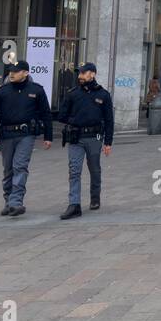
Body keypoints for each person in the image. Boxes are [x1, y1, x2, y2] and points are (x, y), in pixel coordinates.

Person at [0, 60, 53, 217]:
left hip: (26, 135)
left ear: (26, 73)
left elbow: (46, 115)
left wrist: (48, 136)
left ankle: (16, 202)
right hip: (6, 135)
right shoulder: (2, 91)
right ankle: (8, 201)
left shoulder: (37, 90)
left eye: (16, 71)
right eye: (11, 71)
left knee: (20, 166)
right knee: (8, 169)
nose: (12, 73)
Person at [56, 62, 114, 219]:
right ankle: (74, 204)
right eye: (79, 73)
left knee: (94, 169)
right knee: (74, 170)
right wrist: (75, 120)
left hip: (94, 138)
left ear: (92, 74)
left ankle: (95, 198)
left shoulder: (103, 95)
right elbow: (61, 115)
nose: (80, 76)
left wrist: (108, 142)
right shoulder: (73, 93)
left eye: (83, 73)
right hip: (76, 137)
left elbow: (109, 120)